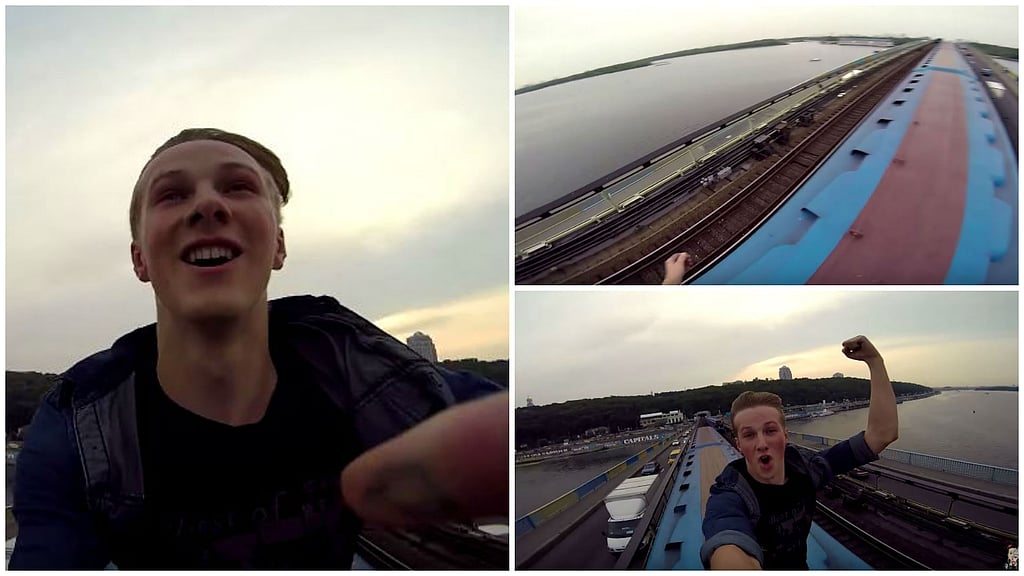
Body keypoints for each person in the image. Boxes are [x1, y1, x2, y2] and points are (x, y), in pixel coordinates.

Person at [10, 128, 508, 569]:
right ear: (140, 259)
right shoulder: (76, 430)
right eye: (173, 194)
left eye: (238, 187)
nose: (208, 206)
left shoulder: (362, 369)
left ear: (279, 247)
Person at [700, 335, 898, 570]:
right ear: (738, 445)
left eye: (770, 431)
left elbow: (882, 434)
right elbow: (726, 543)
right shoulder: (731, 494)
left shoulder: (805, 469)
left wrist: (875, 361)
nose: (762, 443)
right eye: (749, 435)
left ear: (785, 436)